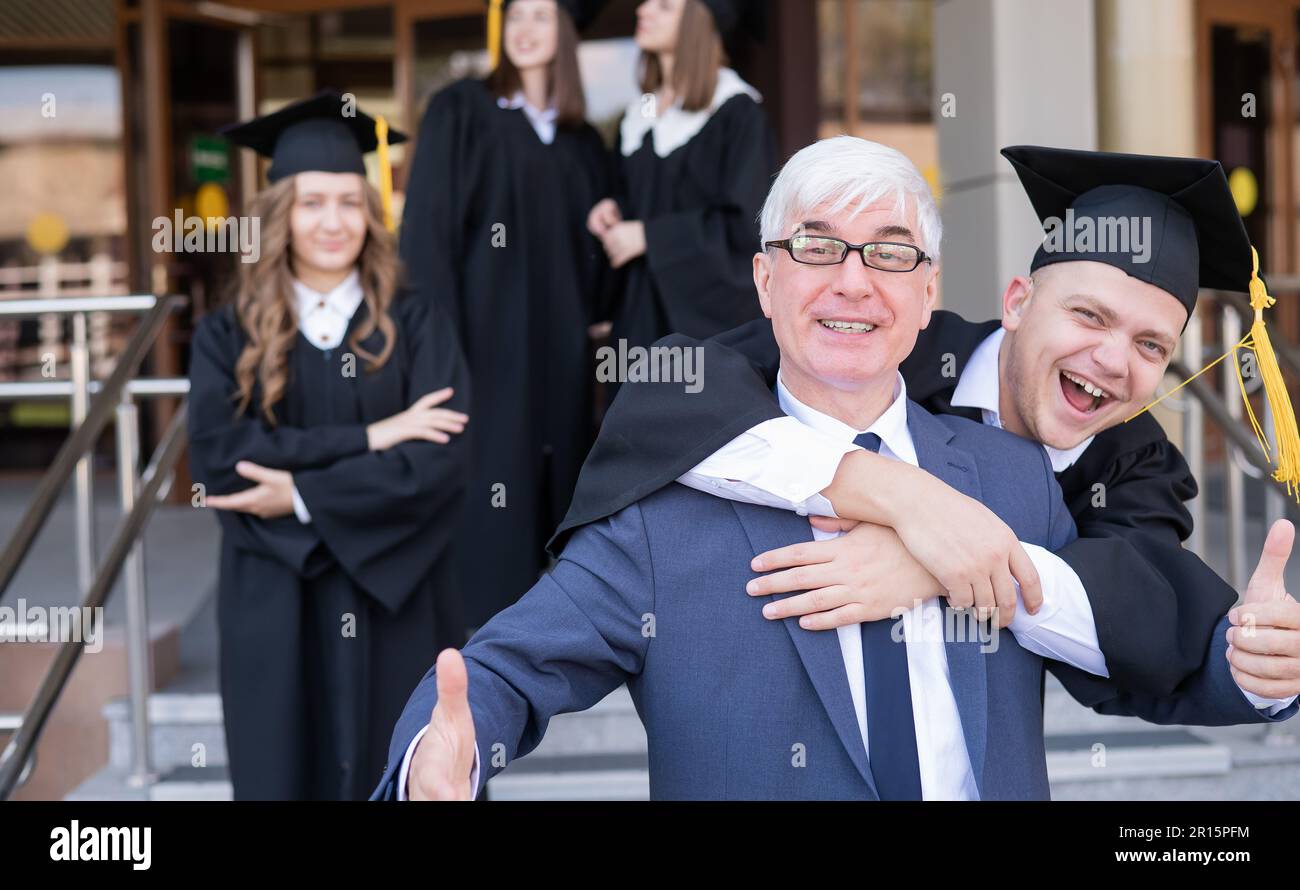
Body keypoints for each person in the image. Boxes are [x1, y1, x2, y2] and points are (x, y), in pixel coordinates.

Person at [375, 139, 1295, 802]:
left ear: (928, 289)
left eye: (892, 255)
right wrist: (442, 752)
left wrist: (1256, 663)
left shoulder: (1030, 484)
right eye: (816, 248)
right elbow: (505, 668)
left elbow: (1136, 645)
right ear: (766, 282)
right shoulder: (665, 508)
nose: (855, 282)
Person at [555, 143, 1300, 708]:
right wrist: (900, 498)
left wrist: (946, 567)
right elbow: (678, 396)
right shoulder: (887, 343)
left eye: (1151, 346)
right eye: (1088, 315)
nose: (1111, 361)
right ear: (1016, 304)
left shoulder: (1134, 461)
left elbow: (1137, 617)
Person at [188, 91, 470, 800]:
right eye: (312, 203)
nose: (333, 222)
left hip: (398, 593)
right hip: (272, 596)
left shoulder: (417, 323)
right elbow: (223, 459)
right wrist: (373, 437)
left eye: (350, 202)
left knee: (403, 770)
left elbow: (437, 462)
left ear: (371, 214)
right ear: (280, 213)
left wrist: (301, 495)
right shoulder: (227, 335)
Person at [400, 0, 615, 628]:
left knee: (554, 496)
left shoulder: (585, 144)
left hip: (561, 363)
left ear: (566, 33)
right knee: (487, 505)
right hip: (480, 356)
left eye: (541, 15)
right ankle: (481, 665)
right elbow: (425, 239)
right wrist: (438, 354)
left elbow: (602, 259)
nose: (523, 28)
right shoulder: (461, 111)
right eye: (515, 14)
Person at [588, 0, 776, 351]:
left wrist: (650, 238)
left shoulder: (736, 113)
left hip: (702, 332)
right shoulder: (638, 117)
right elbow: (638, 197)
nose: (642, 10)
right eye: (648, 1)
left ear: (697, 21)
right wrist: (613, 206)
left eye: (662, 4)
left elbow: (745, 230)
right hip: (636, 318)